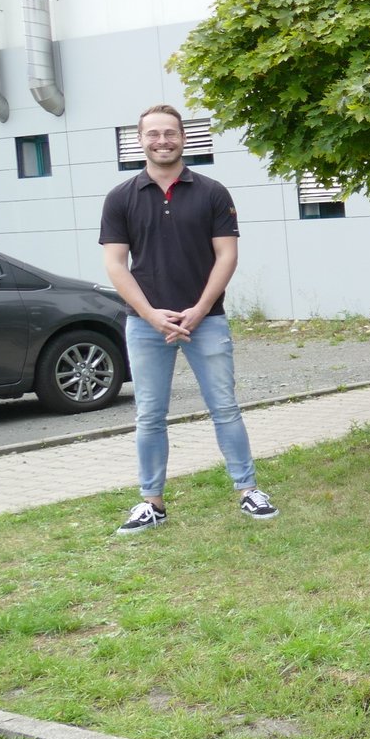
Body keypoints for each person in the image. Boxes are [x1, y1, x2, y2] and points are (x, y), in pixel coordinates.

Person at [99, 104, 278, 533]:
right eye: (153, 134)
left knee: (225, 408)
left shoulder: (213, 192)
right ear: (140, 140)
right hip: (146, 326)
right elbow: (115, 266)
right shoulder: (120, 197)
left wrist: (199, 310)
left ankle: (248, 490)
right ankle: (151, 503)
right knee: (149, 415)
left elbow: (227, 255)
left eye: (170, 133)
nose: (162, 140)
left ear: (184, 138)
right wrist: (150, 315)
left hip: (207, 320)